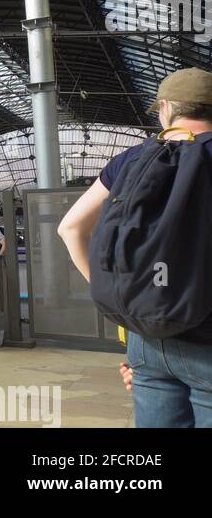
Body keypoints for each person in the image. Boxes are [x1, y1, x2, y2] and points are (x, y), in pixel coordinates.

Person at [58, 67, 212, 428]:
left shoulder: (130, 160)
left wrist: (116, 295)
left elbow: (69, 228)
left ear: (166, 108)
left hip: (146, 342)